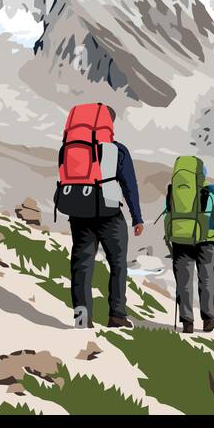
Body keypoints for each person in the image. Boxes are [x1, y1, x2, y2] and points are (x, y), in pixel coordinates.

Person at [66, 106, 144, 330]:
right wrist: (136, 217)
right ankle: (117, 315)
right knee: (118, 264)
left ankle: (82, 316)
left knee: (81, 265)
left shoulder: (71, 147)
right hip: (109, 214)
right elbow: (129, 185)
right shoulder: (116, 150)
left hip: (79, 213)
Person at [168, 159, 214, 333]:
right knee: (206, 279)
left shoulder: (174, 190)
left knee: (184, 281)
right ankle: (208, 319)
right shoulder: (210, 190)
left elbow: (169, 213)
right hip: (206, 240)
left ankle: (187, 322)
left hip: (180, 240)